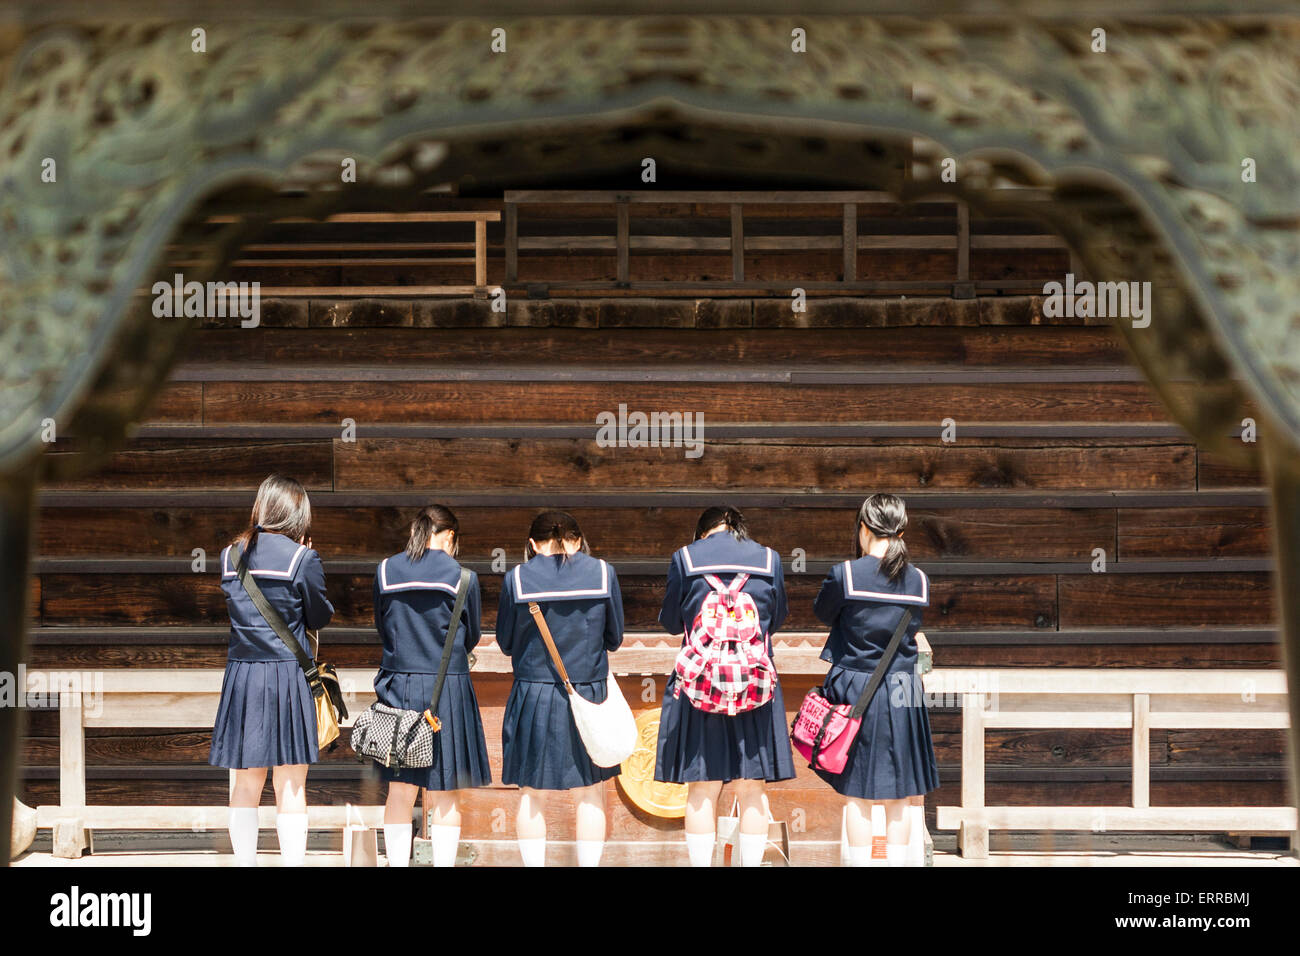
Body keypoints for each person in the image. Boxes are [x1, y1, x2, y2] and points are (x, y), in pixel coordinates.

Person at [654, 506, 796, 867]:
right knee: (752, 787)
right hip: (755, 687)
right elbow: (776, 618)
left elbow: (671, 621)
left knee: (703, 787)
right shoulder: (769, 560)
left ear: (702, 533)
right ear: (739, 529)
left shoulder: (685, 558)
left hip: (700, 686)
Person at [210, 474, 333, 866]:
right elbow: (319, 616)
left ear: (262, 507)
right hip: (287, 678)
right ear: (298, 514)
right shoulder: (302, 558)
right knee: (291, 783)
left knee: (246, 781)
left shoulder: (229, 557)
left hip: (243, 676)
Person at [812, 493, 938, 867]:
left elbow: (823, 612)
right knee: (900, 795)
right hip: (903, 689)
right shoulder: (919, 580)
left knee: (858, 796)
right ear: (902, 531)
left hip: (855, 689)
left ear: (864, 528)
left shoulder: (845, 574)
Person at [496, 511, 625, 867]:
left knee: (531, 793)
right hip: (589, 694)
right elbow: (614, 638)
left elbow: (506, 643)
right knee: (590, 793)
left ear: (533, 544)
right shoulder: (603, 573)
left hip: (533, 694)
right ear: (578, 540)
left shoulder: (516, 578)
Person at [370, 505, 491, 867]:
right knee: (446, 793)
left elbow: (382, 626)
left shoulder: (386, 570)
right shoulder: (464, 578)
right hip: (448, 689)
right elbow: (471, 636)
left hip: (399, 687)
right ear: (450, 536)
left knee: (399, 791)